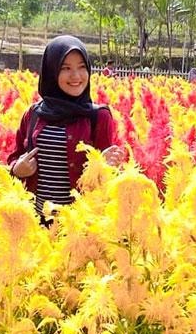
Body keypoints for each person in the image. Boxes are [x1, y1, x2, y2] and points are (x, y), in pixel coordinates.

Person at [8, 35, 125, 221]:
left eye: (81, 67)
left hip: (78, 226)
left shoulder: (98, 116)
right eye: (66, 68)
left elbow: (110, 180)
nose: (76, 76)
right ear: (51, 72)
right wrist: (16, 169)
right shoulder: (33, 114)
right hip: (34, 223)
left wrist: (103, 166)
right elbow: (14, 158)